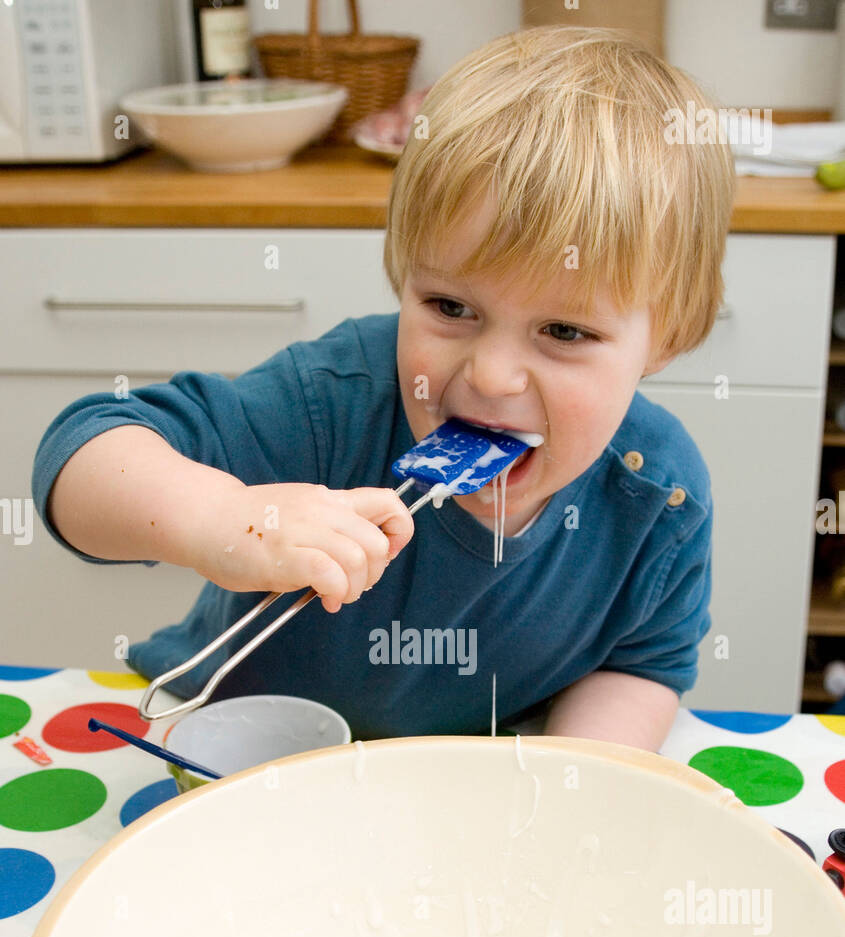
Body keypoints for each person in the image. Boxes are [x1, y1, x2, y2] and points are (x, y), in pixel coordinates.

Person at [32, 25, 735, 750]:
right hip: (225, 753)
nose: (490, 376)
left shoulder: (659, 496)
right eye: (450, 308)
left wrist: (570, 782)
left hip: (452, 789)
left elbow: (640, 667)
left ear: (668, 336)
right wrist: (221, 519)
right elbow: (79, 455)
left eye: (563, 332)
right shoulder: (332, 402)